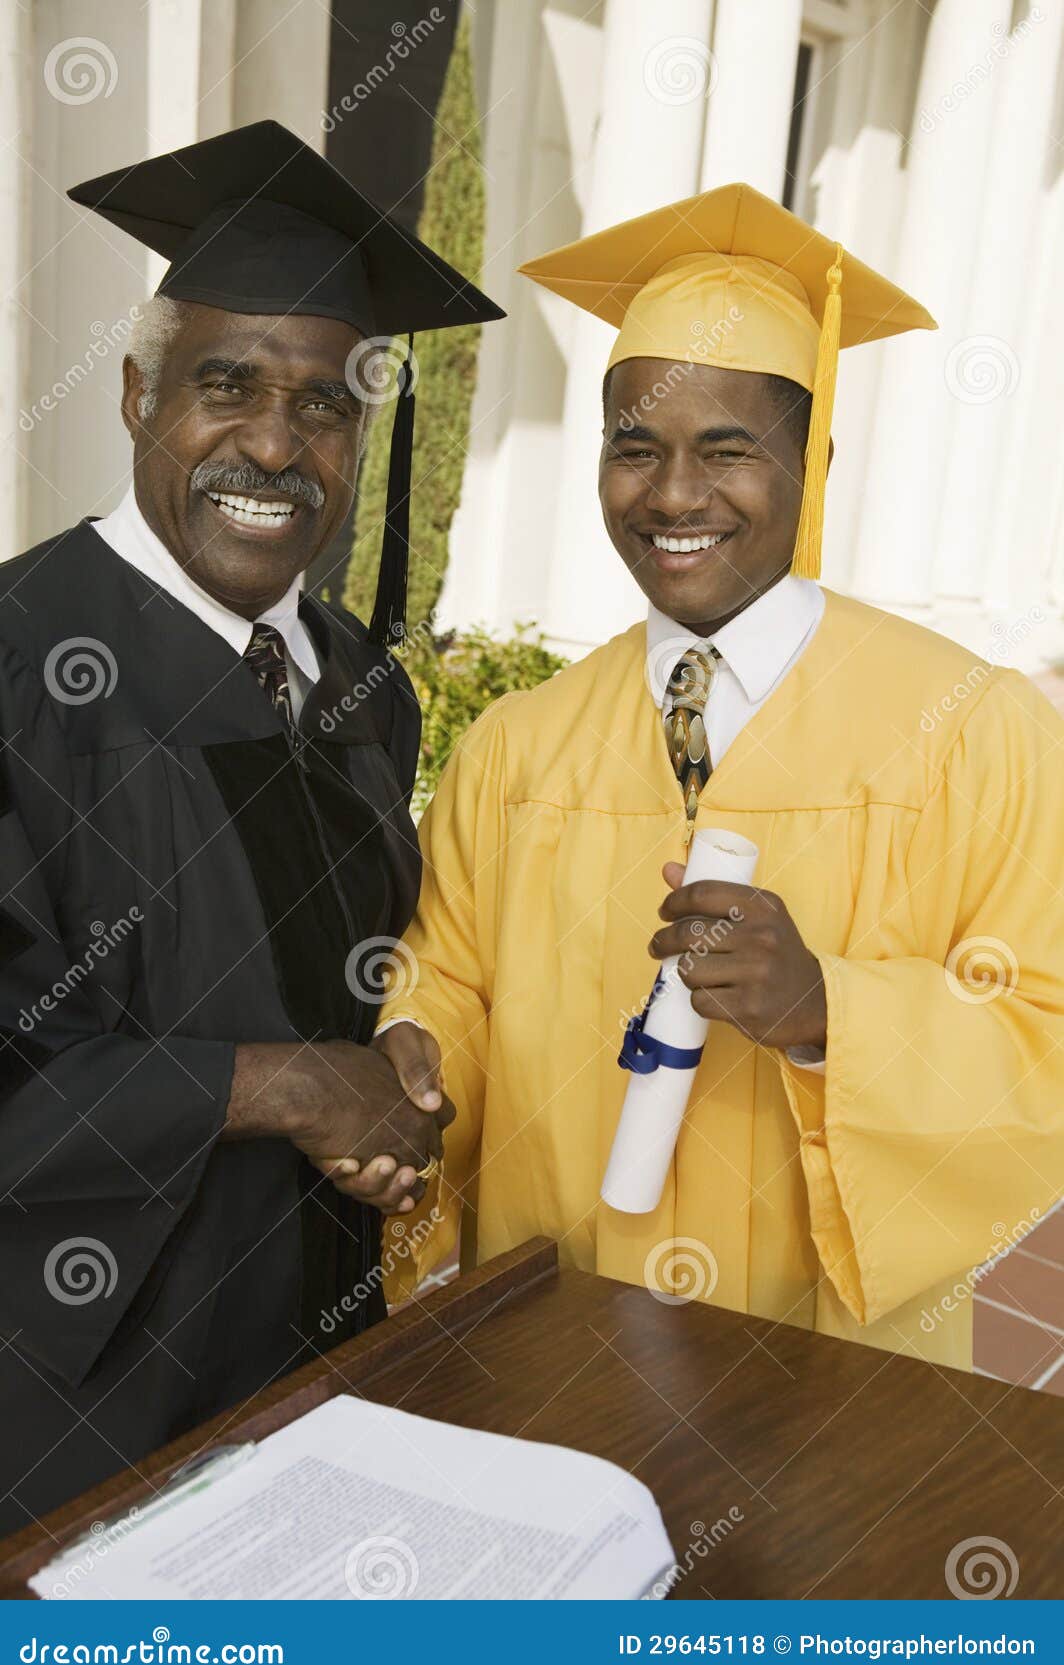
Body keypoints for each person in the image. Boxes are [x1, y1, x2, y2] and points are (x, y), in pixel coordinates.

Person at [367, 183, 1064, 1369]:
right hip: (556, 1330)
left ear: (813, 457)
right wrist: (413, 1066)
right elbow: (453, 982)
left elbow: (1040, 1027)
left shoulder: (975, 730)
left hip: (835, 1361)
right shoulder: (519, 748)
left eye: (725, 450)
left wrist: (827, 1011)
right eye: (633, 449)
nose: (673, 495)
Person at [0, 120, 501, 1534]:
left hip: (320, 1348)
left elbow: (353, 953)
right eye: (227, 385)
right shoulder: (20, 663)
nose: (275, 443)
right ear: (135, 392)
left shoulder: (356, 683)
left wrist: (392, 1061)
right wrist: (283, 1084)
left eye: (327, 405)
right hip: (70, 1395)